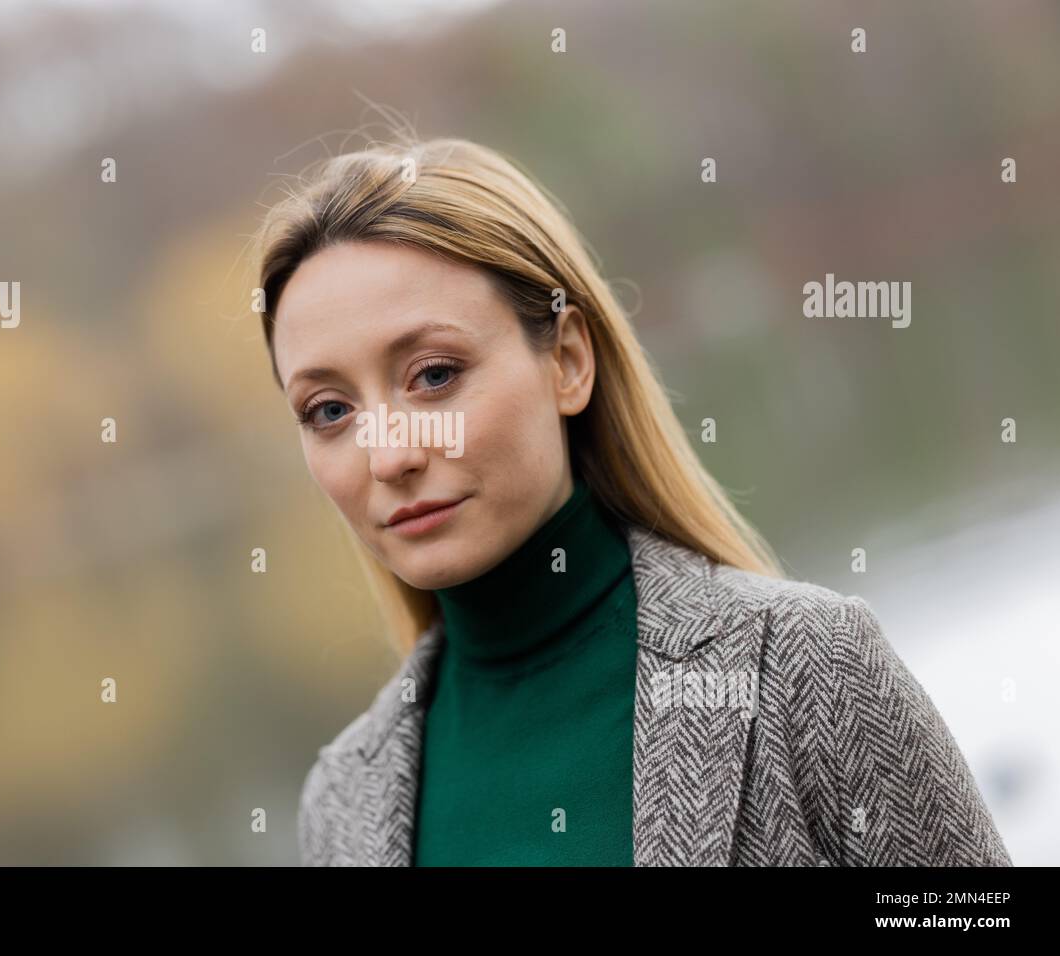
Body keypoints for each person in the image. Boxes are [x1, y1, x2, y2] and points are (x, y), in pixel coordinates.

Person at [250, 133, 1012, 866]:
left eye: (435, 374)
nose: (389, 456)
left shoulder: (805, 664)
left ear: (568, 361)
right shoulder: (340, 802)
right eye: (330, 411)